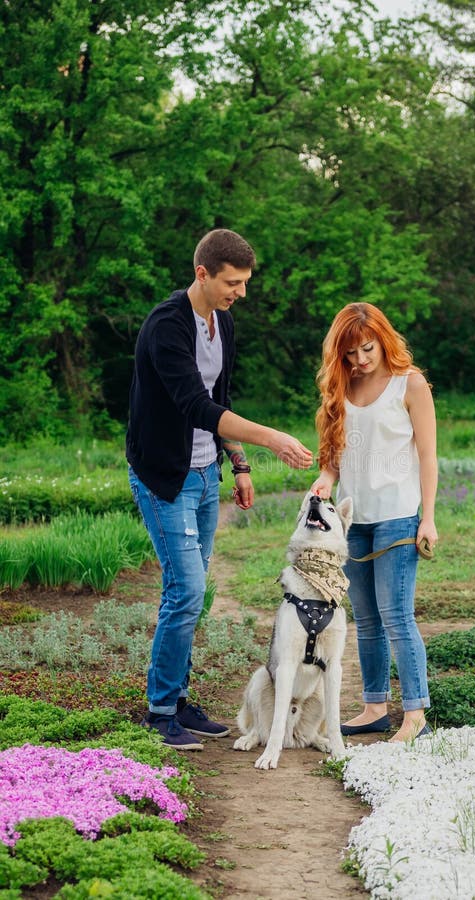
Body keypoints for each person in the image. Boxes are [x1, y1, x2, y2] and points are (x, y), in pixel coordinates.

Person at [127, 228, 313, 750]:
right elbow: (196, 407)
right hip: (164, 477)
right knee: (184, 591)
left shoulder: (222, 322)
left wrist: (240, 462)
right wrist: (273, 438)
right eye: (233, 282)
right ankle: (160, 710)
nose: (241, 293)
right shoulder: (166, 326)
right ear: (202, 274)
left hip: (207, 473)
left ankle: (178, 698)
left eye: (245, 282)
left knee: (194, 595)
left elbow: (220, 393)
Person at [311, 302, 437, 743]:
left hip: (399, 518)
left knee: (396, 616)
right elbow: (333, 459)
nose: (360, 360)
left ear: (383, 339)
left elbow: (427, 455)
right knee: (364, 619)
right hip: (353, 520)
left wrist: (429, 518)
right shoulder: (340, 388)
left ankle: (415, 714)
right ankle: (374, 707)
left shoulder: (410, 384)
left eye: (367, 349)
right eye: (350, 354)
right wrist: (324, 482)